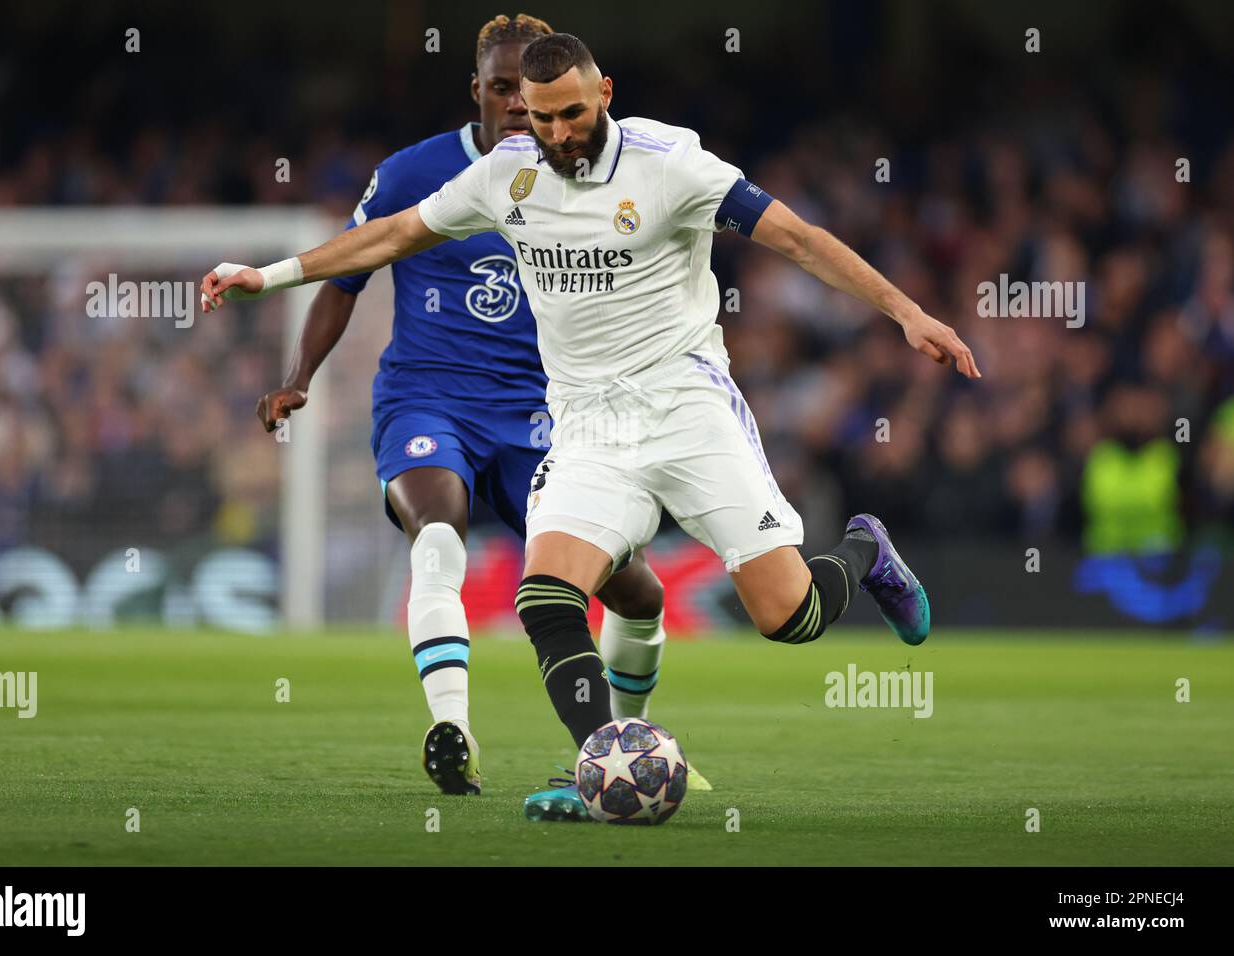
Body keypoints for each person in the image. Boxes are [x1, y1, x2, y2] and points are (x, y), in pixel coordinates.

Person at [201, 32, 981, 821]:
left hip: (688, 411)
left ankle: (865, 550)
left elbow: (800, 240)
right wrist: (267, 276)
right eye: (541, 118)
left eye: (572, 113)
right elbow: (395, 233)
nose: (559, 133)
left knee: (790, 618)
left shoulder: (671, 166)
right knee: (545, 597)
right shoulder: (508, 173)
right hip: (583, 428)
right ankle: (596, 770)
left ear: (604, 92)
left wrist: (907, 312)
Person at [245, 17, 693, 800]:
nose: (518, 106)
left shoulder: (594, 176)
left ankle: (620, 747)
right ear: (477, 91)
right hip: (429, 398)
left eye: (530, 92)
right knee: (437, 529)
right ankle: (451, 724)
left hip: (542, 416)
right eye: (500, 89)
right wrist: (300, 375)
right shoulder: (414, 173)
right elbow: (345, 277)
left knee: (638, 593)